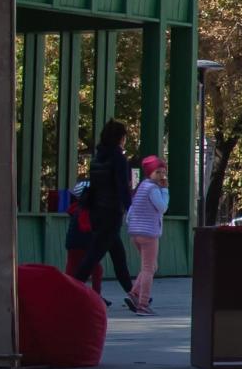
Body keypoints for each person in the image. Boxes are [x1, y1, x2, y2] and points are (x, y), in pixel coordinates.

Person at [68, 120, 138, 306]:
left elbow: (96, 187)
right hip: (112, 213)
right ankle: (69, 290)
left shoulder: (97, 158)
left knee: (118, 254)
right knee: (93, 256)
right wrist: (129, 208)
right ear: (120, 138)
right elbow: (122, 186)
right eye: (124, 137)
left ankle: (132, 293)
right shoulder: (118, 159)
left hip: (97, 212)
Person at [126, 157, 168, 314]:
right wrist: (165, 191)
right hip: (149, 233)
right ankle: (143, 304)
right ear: (150, 173)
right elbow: (162, 207)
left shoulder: (141, 187)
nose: (162, 176)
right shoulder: (153, 189)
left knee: (150, 266)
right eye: (158, 172)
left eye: (164, 172)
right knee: (149, 269)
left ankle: (134, 293)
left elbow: (131, 211)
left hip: (136, 232)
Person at [64, 160, 102, 295]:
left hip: (72, 243)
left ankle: (66, 293)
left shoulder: (75, 209)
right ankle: (96, 295)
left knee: (71, 269)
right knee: (96, 269)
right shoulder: (91, 210)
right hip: (87, 243)